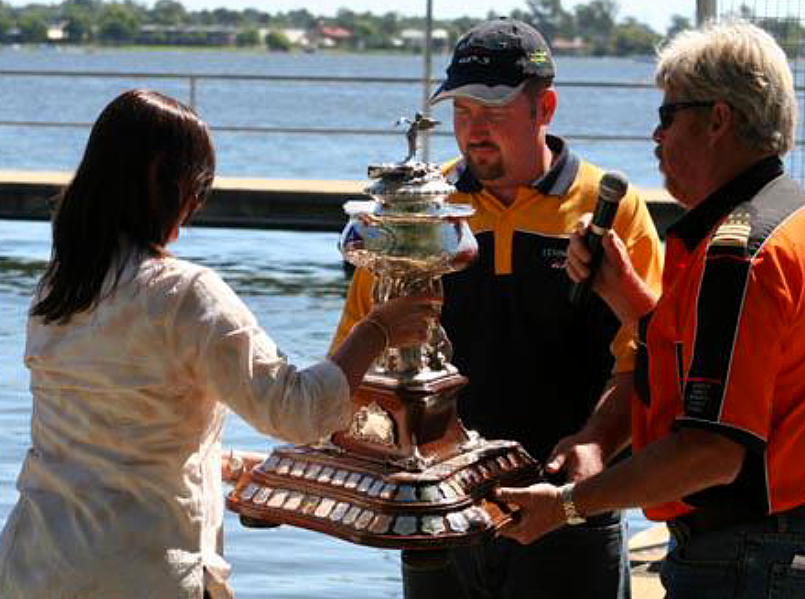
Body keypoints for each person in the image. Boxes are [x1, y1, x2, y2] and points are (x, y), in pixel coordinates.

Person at [0, 89, 440, 599]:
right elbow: (296, 412)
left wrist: (227, 462)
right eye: (198, 190)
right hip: (140, 573)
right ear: (164, 182)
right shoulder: (185, 293)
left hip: (35, 565)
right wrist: (377, 330)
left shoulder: (56, 288)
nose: (193, 209)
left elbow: (109, 437)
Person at [329, 18, 663, 599]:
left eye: (494, 110)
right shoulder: (420, 212)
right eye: (461, 111)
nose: (474, 130)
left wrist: (597, 442)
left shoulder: (611, 208)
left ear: (545, 108)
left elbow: (649, 353)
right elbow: (358, 352)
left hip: (565, 513)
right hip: (437, 517)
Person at [496, 20, 805, 598]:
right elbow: (735, 365)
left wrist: (565, 506)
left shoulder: (739, 256)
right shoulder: (787, 217)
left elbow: (713, 450)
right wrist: (625, 293)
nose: (655, 138)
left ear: (718, 118)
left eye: (668, 116)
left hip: (747, 557)